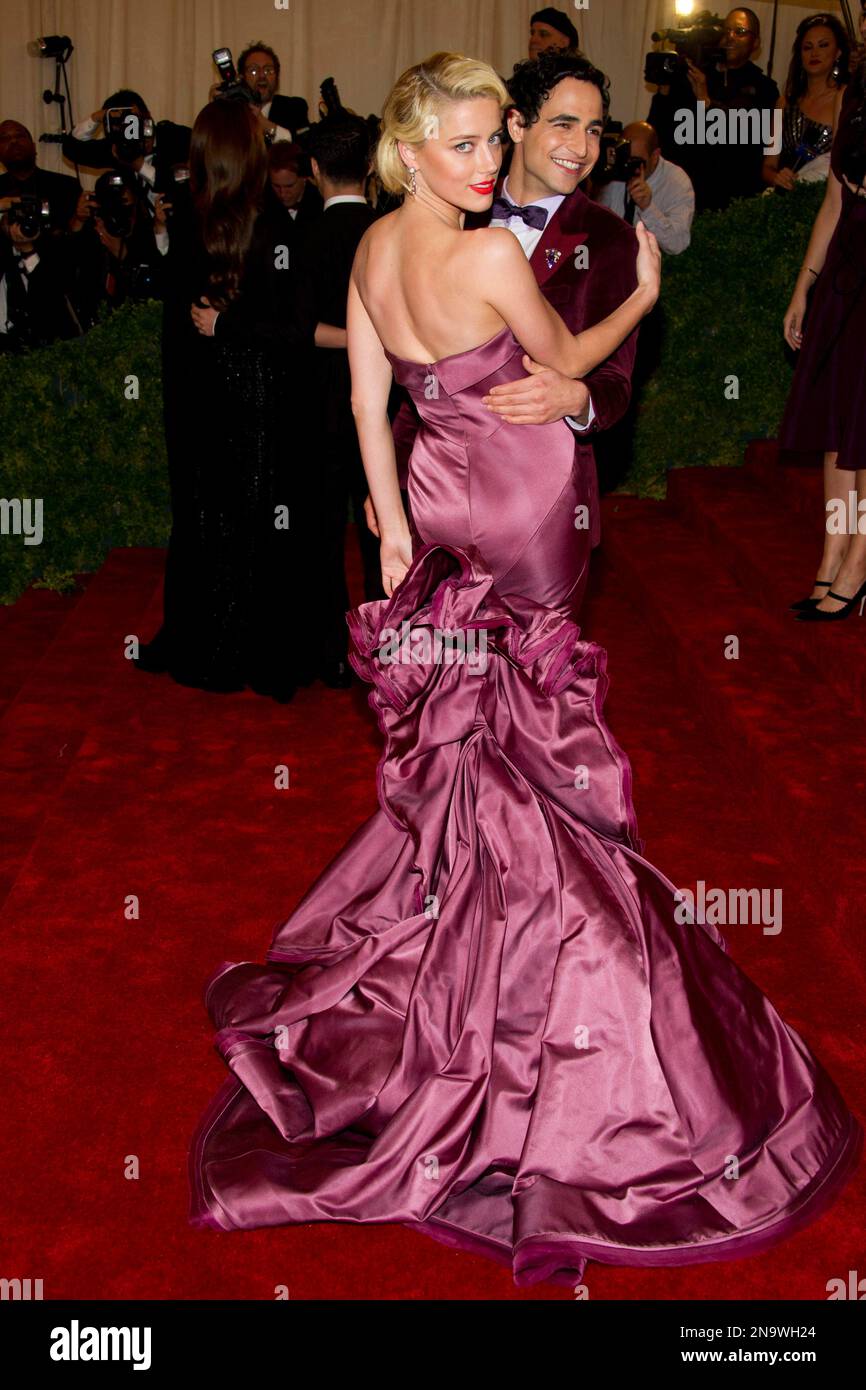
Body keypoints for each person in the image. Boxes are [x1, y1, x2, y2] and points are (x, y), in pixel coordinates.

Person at [187, 52, 861, 1287]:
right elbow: (563, 361)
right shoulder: (491, 253)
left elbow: (364, 391)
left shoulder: (371, 249)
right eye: (465, 145)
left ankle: (465, 967)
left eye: (495, 140)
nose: (487, 164)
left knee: (471, 736)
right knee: (539, 746)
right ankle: (558, 995)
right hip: (526, 506)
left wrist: (387, 526)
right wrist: (643, 301)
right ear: (408, 146)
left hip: (439, 498)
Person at [383, 51, 643, 581]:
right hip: (440, 496)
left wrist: (578, 398)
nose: (582, 148)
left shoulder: (611, 241)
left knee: (534, 661)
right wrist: (388, 483)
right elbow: (423, 378)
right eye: (564, 125)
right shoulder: (450, 212)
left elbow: (617, 381)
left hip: (544, 502)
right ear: (516, 123)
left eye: (595, 130)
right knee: (445, 657)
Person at [134, 99, 316, 698]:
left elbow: (288, 329)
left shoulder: (256, 226)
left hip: (229, 404)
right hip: (235, 403)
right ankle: (237, 642)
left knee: (223, 517)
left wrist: (225, 332)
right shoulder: (225, 224)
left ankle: (220, 640)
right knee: (235, 518)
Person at [779, 48, 866, 622]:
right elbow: (834, 198)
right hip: (846, 266)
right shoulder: (855, 94)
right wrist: (804, 287)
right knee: (837, 424)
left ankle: (859, 563)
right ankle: (835, 549)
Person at [301, 115, 384, 687]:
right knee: (388, 528)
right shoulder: (395, 231)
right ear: (373, 167)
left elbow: (295, 329)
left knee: (322, 533)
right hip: (392, 404)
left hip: (322, 407)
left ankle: (334, 653)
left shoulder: (303, 240)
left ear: (313, 171)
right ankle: (391, 650)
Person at [648, 8, 779, 212]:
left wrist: (705, 101)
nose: (730, 38)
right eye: (725, 31)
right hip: (683, 199)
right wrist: (665, 91)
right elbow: (660, 133)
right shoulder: (696, 75)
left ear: (756, 43)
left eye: (740, 31)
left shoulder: (764, 88)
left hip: (732, 203)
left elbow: (747, 140)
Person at [763, 14, 849, 191]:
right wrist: (776, 177)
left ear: (838, 52)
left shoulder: (846, 100)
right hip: (780, 200)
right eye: (807, 47)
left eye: (823, 45)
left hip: (824, 200)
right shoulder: (785, 103)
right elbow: (767, 166)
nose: (814, 53)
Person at [596, 120, 695, 254]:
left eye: (636, 161)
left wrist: (648, 208)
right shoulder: (615, 171)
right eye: (625, 159)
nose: (628, 166)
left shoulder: (676, 182)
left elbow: (677, 244)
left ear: (654, 156)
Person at [0, 120, 80, 232]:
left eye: (19, 136)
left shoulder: (67, 186)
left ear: (34, 147)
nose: (14, 141)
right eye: (5, 139)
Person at [236, 42, 310, 143]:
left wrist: (266, 125)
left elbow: (302, 143)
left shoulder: (294, 108)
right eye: (254, 71)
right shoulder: (234, 111)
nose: (262, 76)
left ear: (277, 77)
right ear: (241, 78)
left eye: (268, 70)